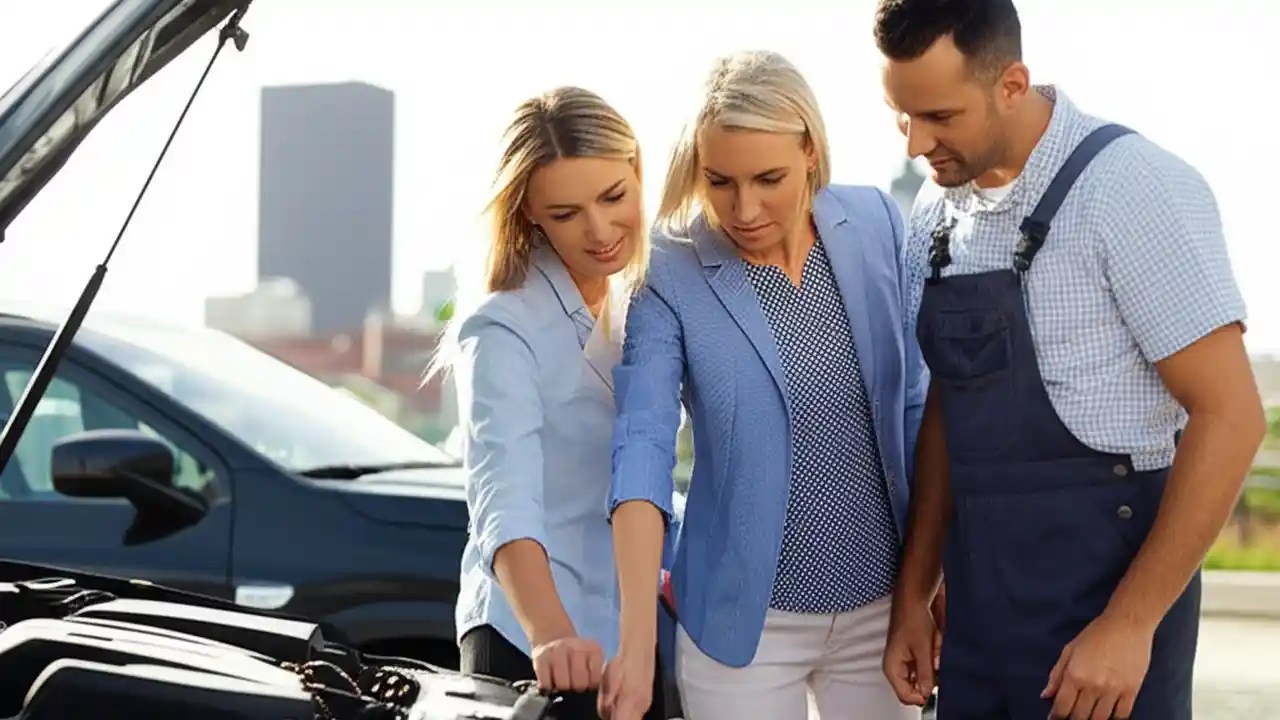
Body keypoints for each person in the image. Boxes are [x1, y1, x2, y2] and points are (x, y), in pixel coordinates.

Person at [874, 1, 1267, 718]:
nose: (915, 144)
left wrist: (1129, 624)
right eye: (902, 116)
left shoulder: (1131, 188)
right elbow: (948, 414)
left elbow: (1233, 416)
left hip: (1105, 605)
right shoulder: (934, 219)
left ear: (1013, 84)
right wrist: (913, 593)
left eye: (939, 116)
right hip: (976, 621)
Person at [599, 49, 928, 720]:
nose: (744, 208)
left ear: (811, 150)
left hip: (884, 612)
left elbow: (918, 406)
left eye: (768, 178)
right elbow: (642, 449)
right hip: (741, 623)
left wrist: (933, 579)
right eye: (720, 181)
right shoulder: (670, 268)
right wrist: (635, 643)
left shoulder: (877, 222)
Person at [437, 85, 673, 720]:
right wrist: (549, 632)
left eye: (614, 197)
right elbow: (501, 494)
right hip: (530, 640)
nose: (599, 230)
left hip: (631, 636)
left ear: (638, 174)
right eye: (566, 213)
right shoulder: (502, 324)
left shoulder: (643, 299)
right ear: (529, 215)